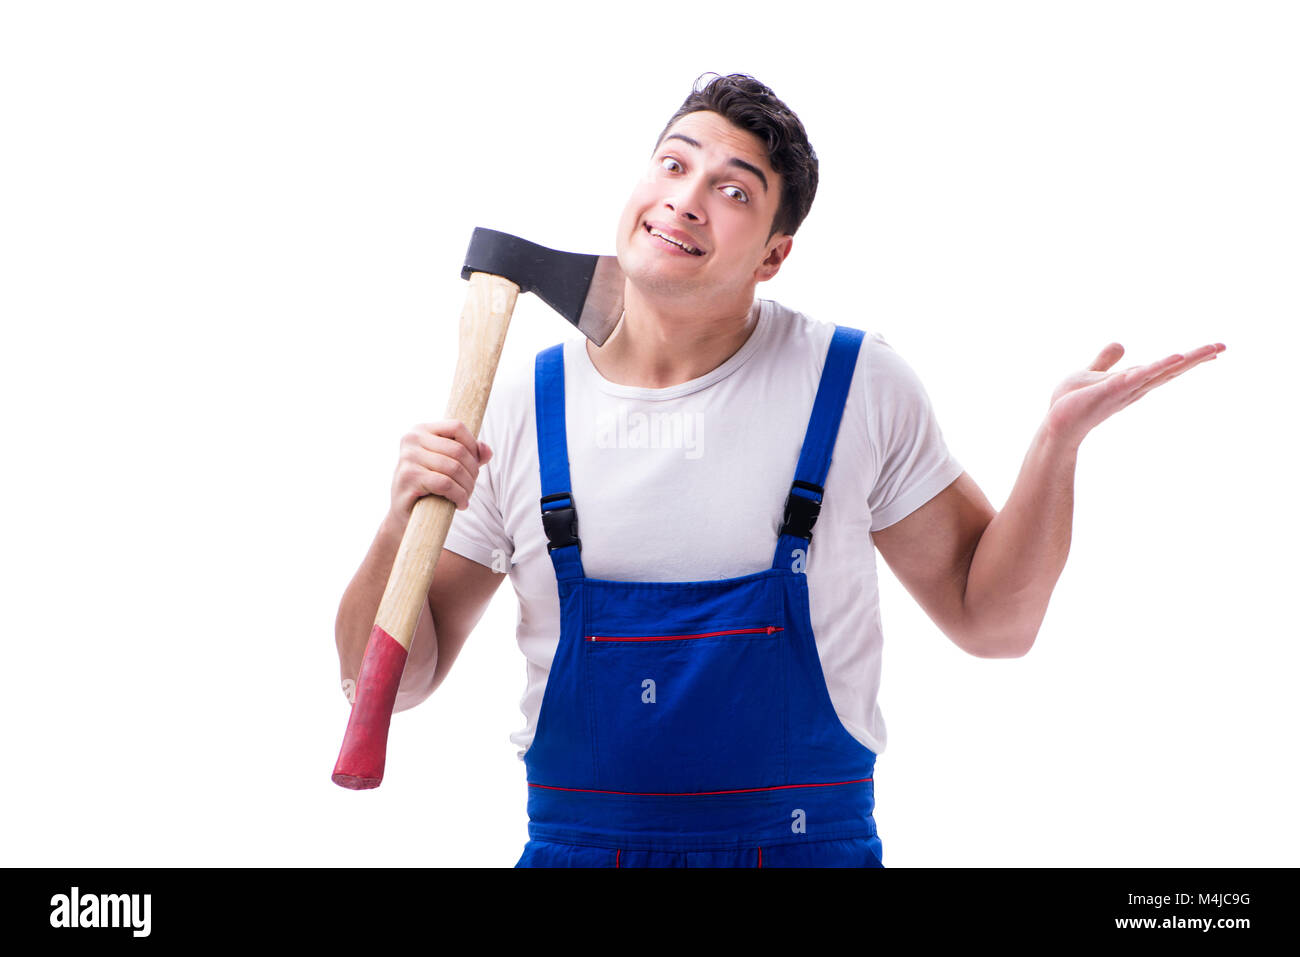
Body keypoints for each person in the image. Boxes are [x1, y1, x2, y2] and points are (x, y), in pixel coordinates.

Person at [334, 73, 1224, 867]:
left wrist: (1054, 448)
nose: (686, 200)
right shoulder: (521, 409)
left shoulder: (853, 383)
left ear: (772, 253)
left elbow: (993, 623)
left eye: (732, 190)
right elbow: (391, 685)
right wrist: (397, 522)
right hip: (578, 849)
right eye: (674, 165)